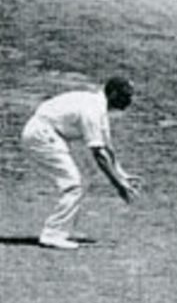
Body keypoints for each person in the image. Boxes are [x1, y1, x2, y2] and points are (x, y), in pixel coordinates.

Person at [20, 77, 143, 250]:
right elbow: (98, 154)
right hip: (41, 135)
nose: (130, 101)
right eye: (126, 96)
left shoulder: (99, 108)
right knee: (74, 185)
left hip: (52, 134)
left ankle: (60, 231)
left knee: (84, 178)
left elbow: (107, 147)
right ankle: (52, 235)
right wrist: (118, 185)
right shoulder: (92, 111)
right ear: (114, 94)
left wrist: (121, 174)